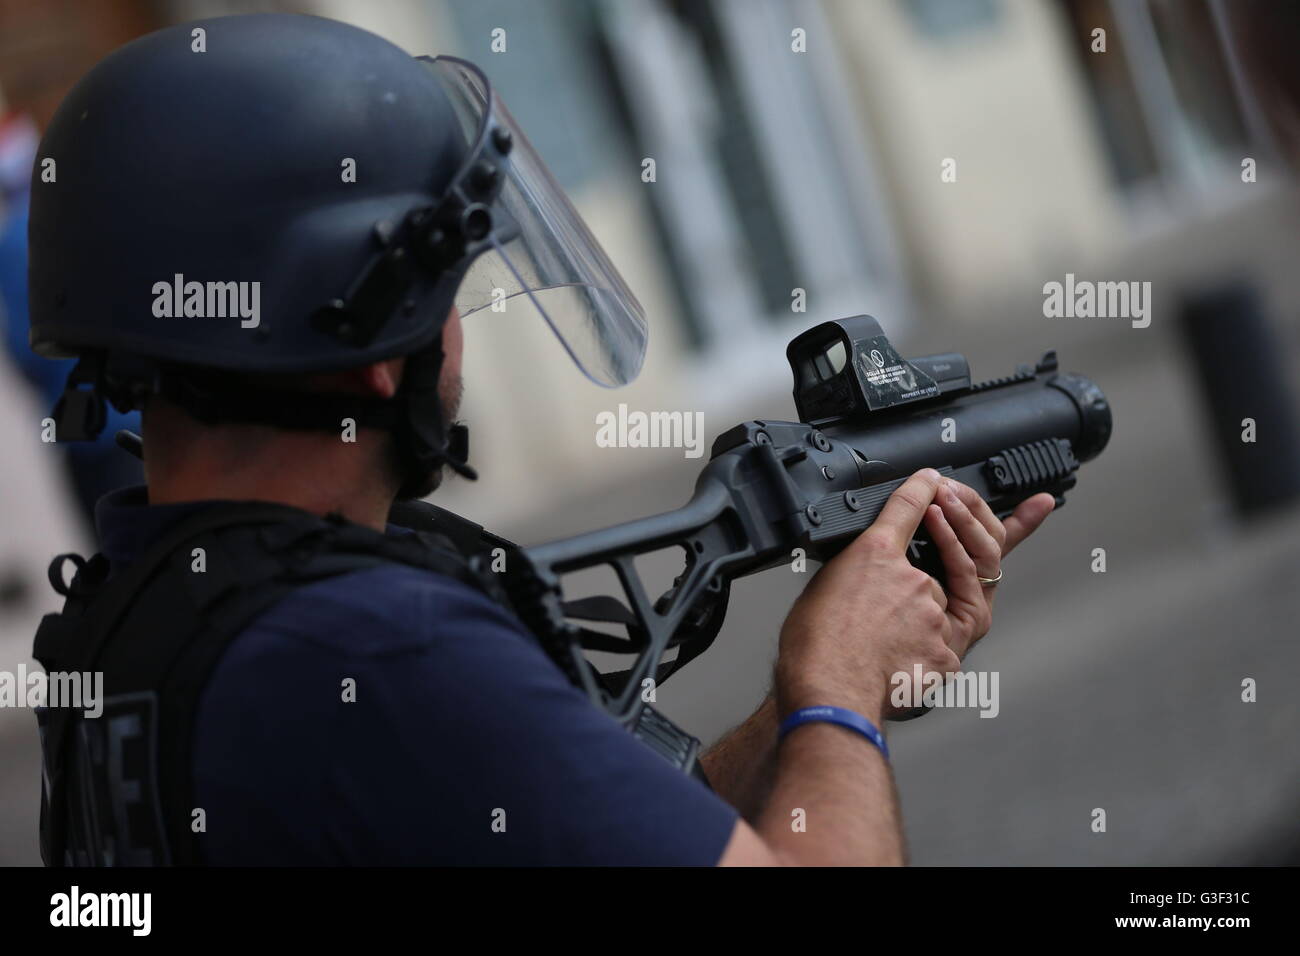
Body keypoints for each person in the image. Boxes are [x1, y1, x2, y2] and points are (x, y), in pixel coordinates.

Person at [28, 13, 1052, 866]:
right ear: (378, 353)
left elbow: (609, 828)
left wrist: (801, 701)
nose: (459, 336)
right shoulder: (378, 646)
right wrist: (842, 694)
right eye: (453, 294)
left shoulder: (139, 613)